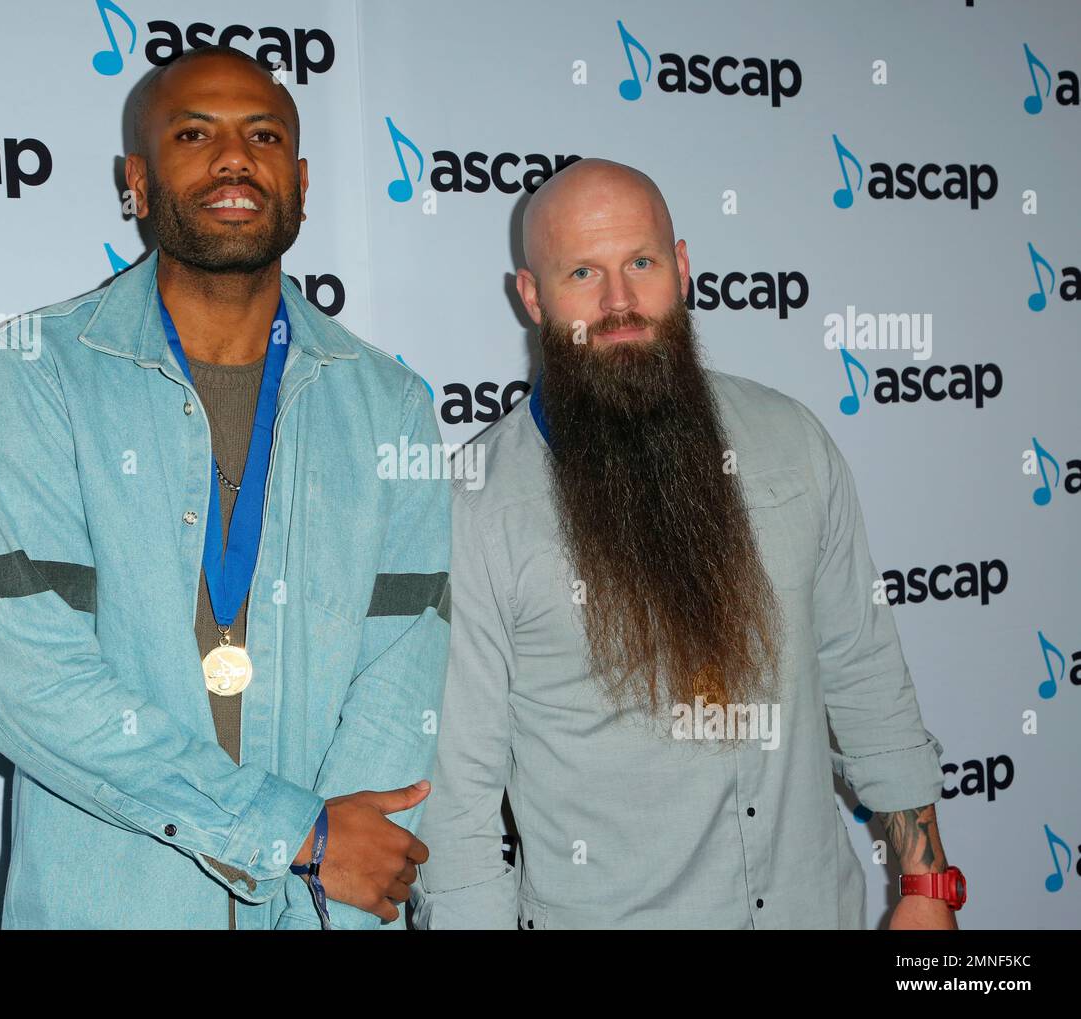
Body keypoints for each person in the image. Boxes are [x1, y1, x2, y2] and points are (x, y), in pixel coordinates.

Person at [0, 45, 450, 930]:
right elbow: (35, 688)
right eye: (194, 134)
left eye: (262, 135)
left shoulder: (391, 405)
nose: (233, 158)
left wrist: (318, 891)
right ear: (135, 181)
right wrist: (297, 834)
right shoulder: (35, 373)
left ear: (299, 180)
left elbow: (399, 684)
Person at [410, 158, 963, 929]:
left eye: (642, 262)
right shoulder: (473, 507)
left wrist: (925, 881)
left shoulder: (792, 444)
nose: (620, 302)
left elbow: (866, 679)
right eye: (581, 273)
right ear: (533, 297)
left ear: (684, 267)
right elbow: (457, 810)